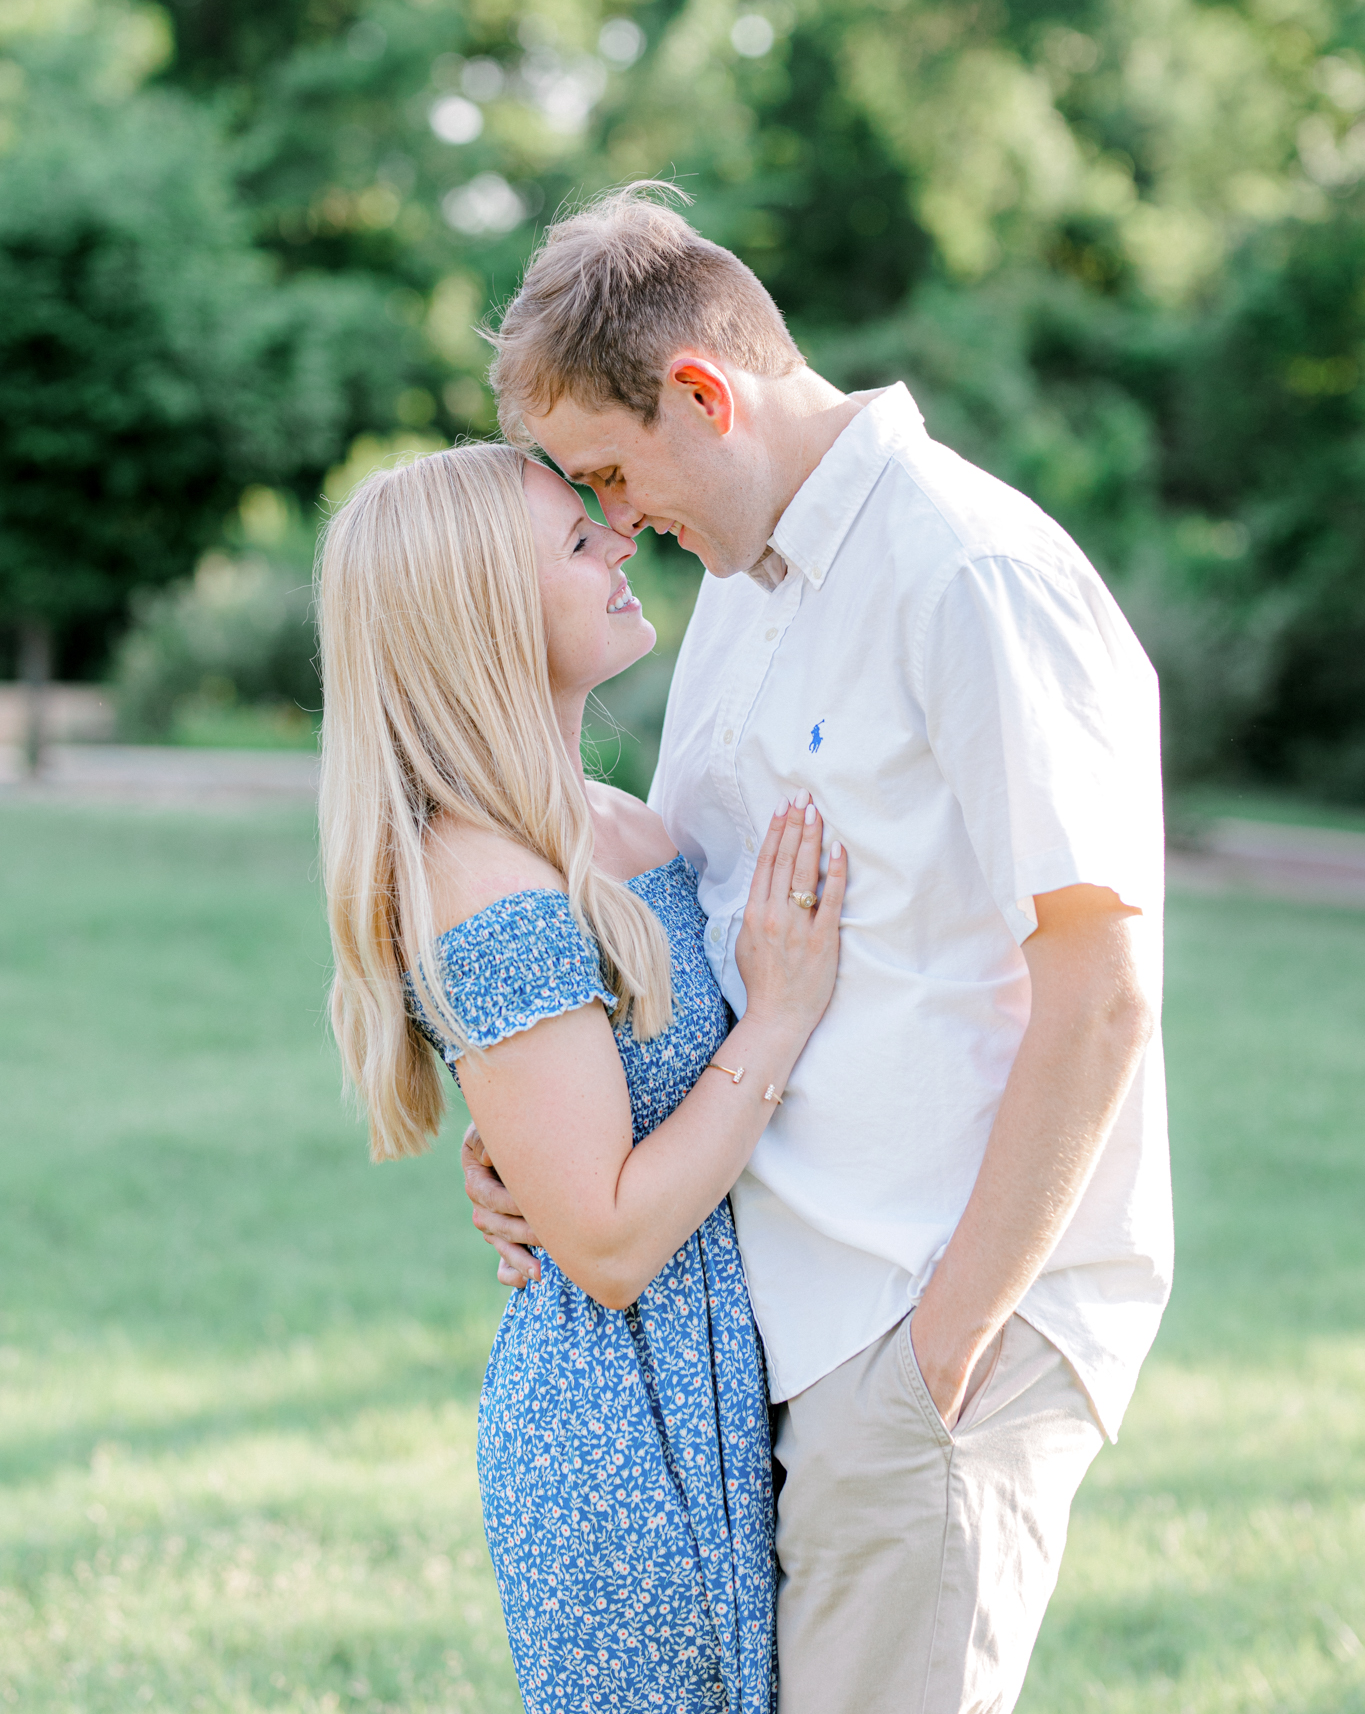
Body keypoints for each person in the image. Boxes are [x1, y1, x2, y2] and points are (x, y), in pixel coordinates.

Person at [463, 186, 1174, 1714]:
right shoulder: (741, 592)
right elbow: (696, 941)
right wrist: (539, 1142)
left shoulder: (973, 573)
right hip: (768, 1323)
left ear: (704, 397)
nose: (617, 520)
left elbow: (1103, 989)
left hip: (922, 1323)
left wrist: (946, 1352)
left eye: (610, 469)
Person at [315, 439, 846, 1714]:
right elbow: (604, 1241)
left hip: (707, 1389)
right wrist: (771, 1024)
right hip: (620, 1443)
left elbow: (588, 1135)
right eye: (574, 539)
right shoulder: (483, 874)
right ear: (485, 613)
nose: (618, 540)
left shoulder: (614, 826)